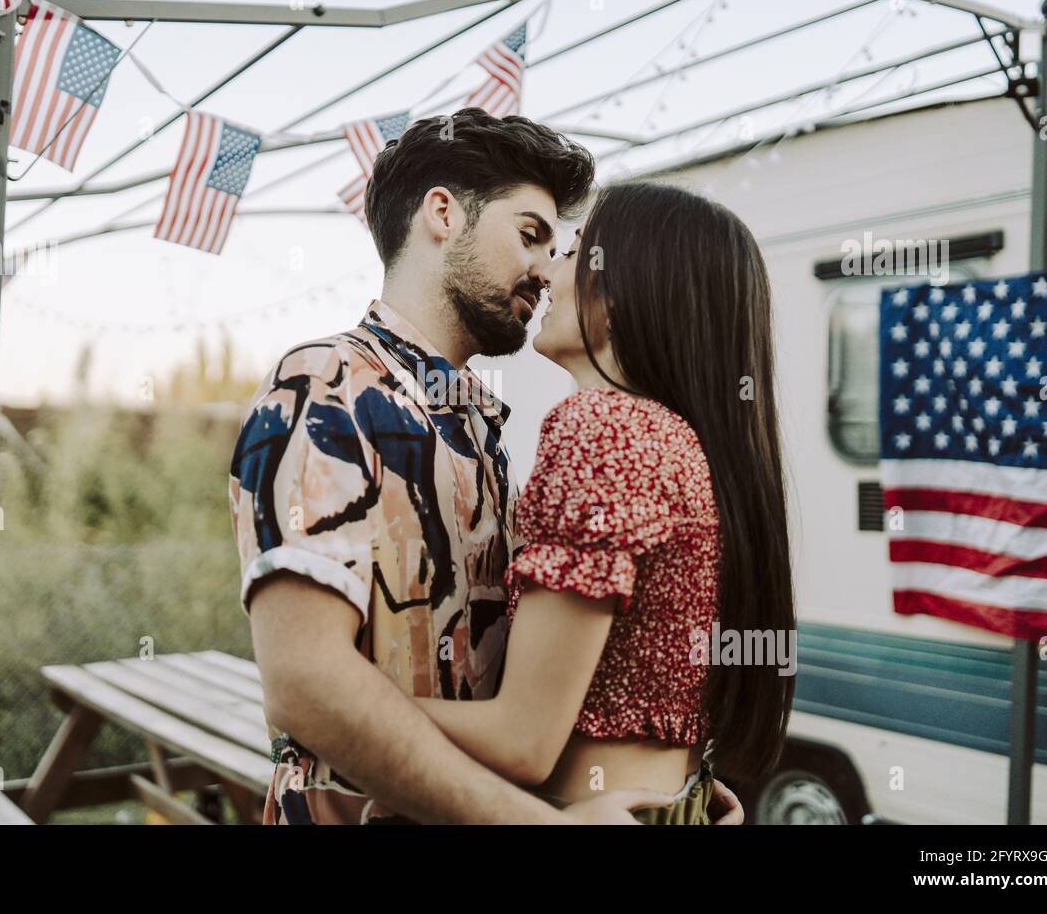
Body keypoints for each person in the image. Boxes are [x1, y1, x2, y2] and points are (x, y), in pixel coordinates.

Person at [228, 108, 746, 824]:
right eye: (531, 235)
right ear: (442, 214)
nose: (546, 271)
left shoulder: (483, 431)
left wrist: (677, 799)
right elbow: (304, 684)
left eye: (559, 249)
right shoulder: (325, 387)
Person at [411, 182, 797, 822]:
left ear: (618, 298)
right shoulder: (681, 441)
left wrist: (344, 703)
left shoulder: (605, 432)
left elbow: (522, 741)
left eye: (572, 254)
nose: (545, 273)